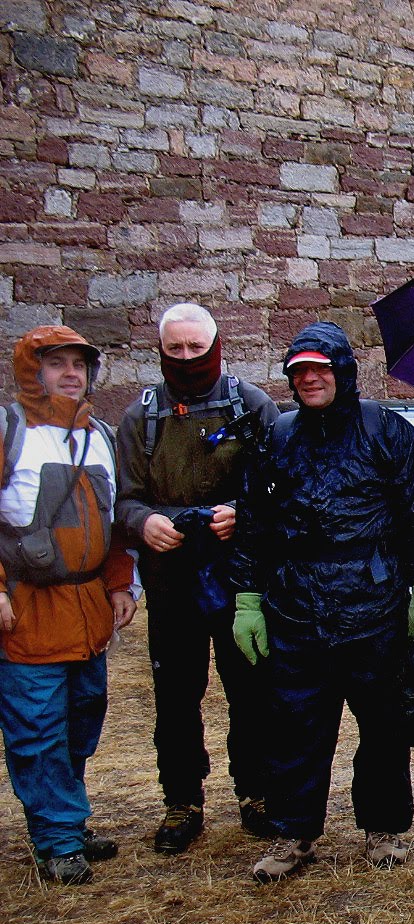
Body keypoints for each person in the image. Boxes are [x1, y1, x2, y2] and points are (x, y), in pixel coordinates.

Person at [231, 321, 414, 882]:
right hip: (296, 605)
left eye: (320, 370)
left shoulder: (387, 432)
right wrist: (248, 599)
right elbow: (254, 524)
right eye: (299, 372)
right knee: (295, 725)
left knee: (382, 725)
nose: (310, 380)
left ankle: (384, 829)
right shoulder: (277, 438)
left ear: (342, 372)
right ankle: (293, 833)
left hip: (373, 601)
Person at [114, 303, 279, 853]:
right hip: (171, 578)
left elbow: (280, 489)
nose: (186, 357)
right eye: (175, 348)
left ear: (217, 347)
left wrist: (243, 512)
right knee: (176, 697)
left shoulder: (251, 405)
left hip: (241, 578)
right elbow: (124, 499)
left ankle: (257, 793)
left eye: (195, 347)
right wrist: (146, 523)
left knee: (252, 693)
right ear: (162, 351)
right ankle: (181, 801)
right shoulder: (141, 417)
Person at [0, 327, 138, 884]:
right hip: (29, 608)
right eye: (56, 363)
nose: (70, 374)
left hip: (87, 610)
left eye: (78, 364)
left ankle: (67, 823)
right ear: (32, 369)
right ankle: (56, 837)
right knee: (38, 727)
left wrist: (120, 584)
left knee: (82, 721)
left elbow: (112, 523)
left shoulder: (99, 436)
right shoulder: (10, 431)